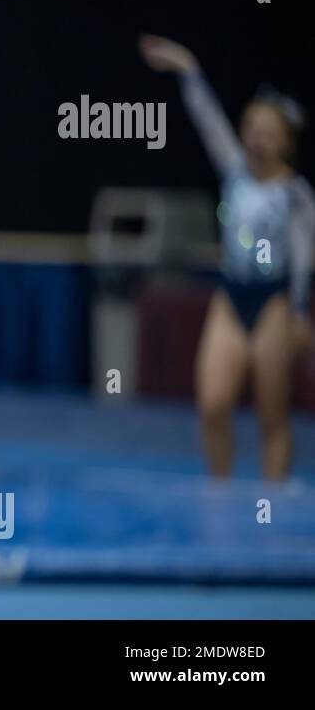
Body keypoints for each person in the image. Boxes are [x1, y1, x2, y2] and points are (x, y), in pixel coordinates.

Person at [139, 34, 315, 481]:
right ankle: (223, 493)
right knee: (213, 404)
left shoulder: (295, 194)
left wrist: (299, 313)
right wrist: (187, 67)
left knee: (271, 416)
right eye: (253, 129)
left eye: (270, 133)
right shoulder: (234, 171)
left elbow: (303, 257)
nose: (259, 139)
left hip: (273, 301)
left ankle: (271, 503)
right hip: (231, 296)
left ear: (286, 143)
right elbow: (207, 120)